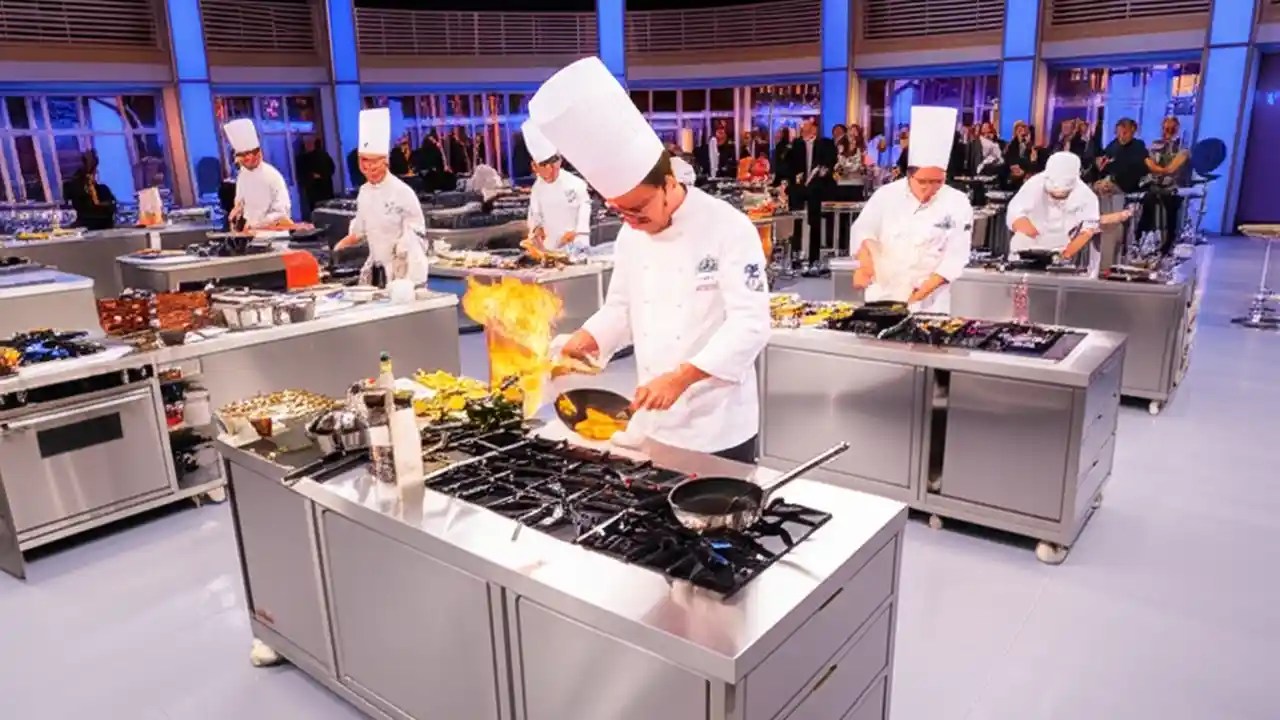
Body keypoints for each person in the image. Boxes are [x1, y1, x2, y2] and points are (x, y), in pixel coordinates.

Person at [532, 56, 771, 463]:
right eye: (620, 211)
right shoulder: (631, 236)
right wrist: (588, 339)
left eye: (639, 208)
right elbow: (622, 309)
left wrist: (681, 377)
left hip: (718, 422)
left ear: (670, 183)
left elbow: (751, 325)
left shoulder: (729, 227)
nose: (632, 222)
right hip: (653, 420)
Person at [850, 106, 973, 314]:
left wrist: (918, 295)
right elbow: (863, 231)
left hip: (931, 302)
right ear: (909, 175)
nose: (930, 188)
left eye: (937, 182)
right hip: (883, 296)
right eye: (923, 181)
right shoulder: (886, 195)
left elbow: (956, 256)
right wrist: (865, 266)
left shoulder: (958, 202)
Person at [333, 108, 430, 288]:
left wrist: (402, 253)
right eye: (364, 162)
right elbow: (359, 231)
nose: (369, 167)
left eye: (374, 161)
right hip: (377, 273)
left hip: (405, 274)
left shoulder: (402, 192)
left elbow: (418, 233)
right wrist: (339, 248)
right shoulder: (364, 192)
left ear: (385, 160)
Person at [1006, 152, 1103, 274]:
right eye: (1053, 195)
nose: (1057, 198)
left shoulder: (1087, 196)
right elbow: (1014, 215)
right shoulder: (1034, 184)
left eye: (1063, 196)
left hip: (1060, 251)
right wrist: (1035, 236)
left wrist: (1066, 254)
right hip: (1025, 247)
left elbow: (1088, 231)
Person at [523, 120, 591, 254]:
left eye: (554, 166)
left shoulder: (576, 184)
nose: (551, 171)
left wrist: (577, 233)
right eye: (545, 166)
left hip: (575, 249)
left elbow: (585, 210)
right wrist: (536, 229)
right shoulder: (537, 188)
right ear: (534, 167)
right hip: (549, 251)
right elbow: (535, 216)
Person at [785, 118, 838, 267]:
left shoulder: (825, 143)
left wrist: (825, 171)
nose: (803, 129)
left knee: (814, 223)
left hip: (817, 189)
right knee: (795, 221)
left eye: (806, 127)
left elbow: (831, 162)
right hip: (798, 188)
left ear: (814, 129)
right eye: (802, 127)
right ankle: (795, 256)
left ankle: (814, 259)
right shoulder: (796, 145)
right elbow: (788, 164)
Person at [223, 118, 291, 230]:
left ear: (258, 154)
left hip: (273, 236)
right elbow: (240, 203)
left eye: (248, 156)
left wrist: (259, 224)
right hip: (249, 235)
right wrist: (236, 213)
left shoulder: (272, 176)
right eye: (242, 157)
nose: (245, 161)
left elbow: (282, 212)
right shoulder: (242, 176)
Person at [1142, 116, 1191, 255]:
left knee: (1170, 200)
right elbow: (1149, 163)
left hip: (1174, 186)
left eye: (1172, 128)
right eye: (1166, 128)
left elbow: (1173, 168)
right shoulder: (1154, 145)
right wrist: (1160, 171)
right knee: (1148, 198)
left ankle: (1169, 241)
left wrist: (1162, 171)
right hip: (1155, 183)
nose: (1168, 131)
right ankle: (1145, 235)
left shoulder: (1183, 148)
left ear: (1177, 129)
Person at [62, 150, 116, 231]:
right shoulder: (74, 187)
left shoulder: (103, 190)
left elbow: (111, 207)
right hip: (84, 227)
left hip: (102, 228)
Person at [1097, 117, 1148, 194]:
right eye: (1118, 133)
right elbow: (1104, 163)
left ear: (1133, 131)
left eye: (1124, 133)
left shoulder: (1139, 146)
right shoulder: (1113, 145)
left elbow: (1134, 170)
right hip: (1110, 183)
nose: (1121, 137)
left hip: (1129, 187)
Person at [295, 136, 335, 219]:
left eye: (310, 143)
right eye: (307, 143)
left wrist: (321, 175)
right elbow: (301, 174)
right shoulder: (302, 159)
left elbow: (331, 168)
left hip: (326, 188)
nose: (309, 145)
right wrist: (310, 177)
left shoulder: (323, 155)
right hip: (312, 191)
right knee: (315, 211)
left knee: (328, 209)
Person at [1003, 120, 1039, 190]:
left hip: (1027, 177)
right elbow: (1009, 163)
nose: (1022, 134)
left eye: (1024, 132)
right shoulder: (1010, 147)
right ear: (1015, 133)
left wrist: (1028, 146)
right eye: (1019, 131)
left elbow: (1033, 164)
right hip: (1014, 178)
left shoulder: (1033, 148)